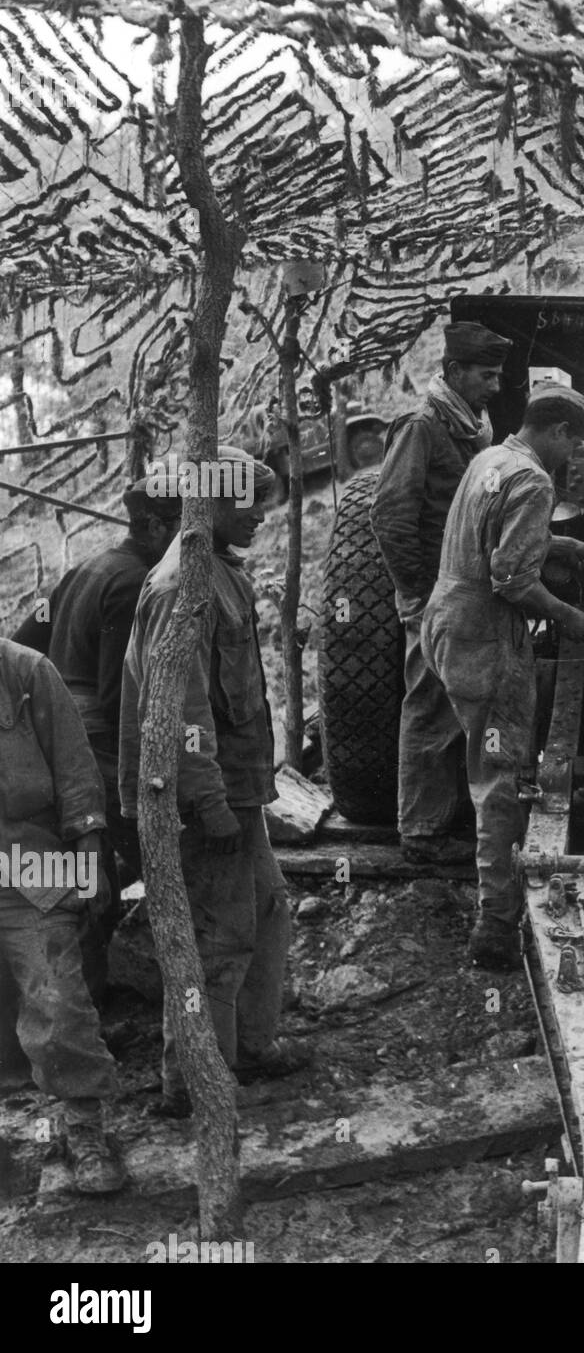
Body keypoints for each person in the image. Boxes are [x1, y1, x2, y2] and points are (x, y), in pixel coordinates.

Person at [118, 446, 309, 1117]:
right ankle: (198, 1079)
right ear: (210, 506)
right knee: (218, 938)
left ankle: (250, 1049)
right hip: (206, 801)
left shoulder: (219, 573)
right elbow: (179, 716)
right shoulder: (183, 589)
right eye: (246, 502)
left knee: (267, 909)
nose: (260, 513)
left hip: (239, 791)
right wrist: (210, 804)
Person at [426, 387, 584, 970]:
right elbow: (512, 580)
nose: (575, 454)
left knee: (485, 762)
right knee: (499, 779)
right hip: (487, 637)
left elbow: (492, 538)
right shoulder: (535, 482)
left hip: (447, 621)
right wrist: (569, 616)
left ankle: (499, 905)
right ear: (555, 430)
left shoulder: (490, 461)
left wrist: (560, 542)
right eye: (574, 442)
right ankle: (496, 927)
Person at [11, 479, 182, 1006]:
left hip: (57, 735)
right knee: (114, 869)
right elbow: (119, 694)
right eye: (180, 528)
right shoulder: (136, 582)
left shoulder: (87, 567)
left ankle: (87, 998)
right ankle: (90, 1004)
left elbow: (20, 641)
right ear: (155, 526)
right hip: (97, 745)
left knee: (87, 872)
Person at [370, 322, 514, 866]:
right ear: (454, 373)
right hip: (435, 597)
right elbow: (389, 515)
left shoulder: (473, 424)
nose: (496, 385)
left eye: (499, 374)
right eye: (486, 375)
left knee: (459, 705)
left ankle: (447, 817)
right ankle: (423, 833)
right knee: (431, 705)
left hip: (463, 593)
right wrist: (420, 594)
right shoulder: (422, 425)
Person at [0, 636, 126, 1192]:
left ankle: (84, 1129)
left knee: (58, 995)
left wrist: (88, 869)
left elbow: (78, 779)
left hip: (29, 862)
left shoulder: (27, 673)